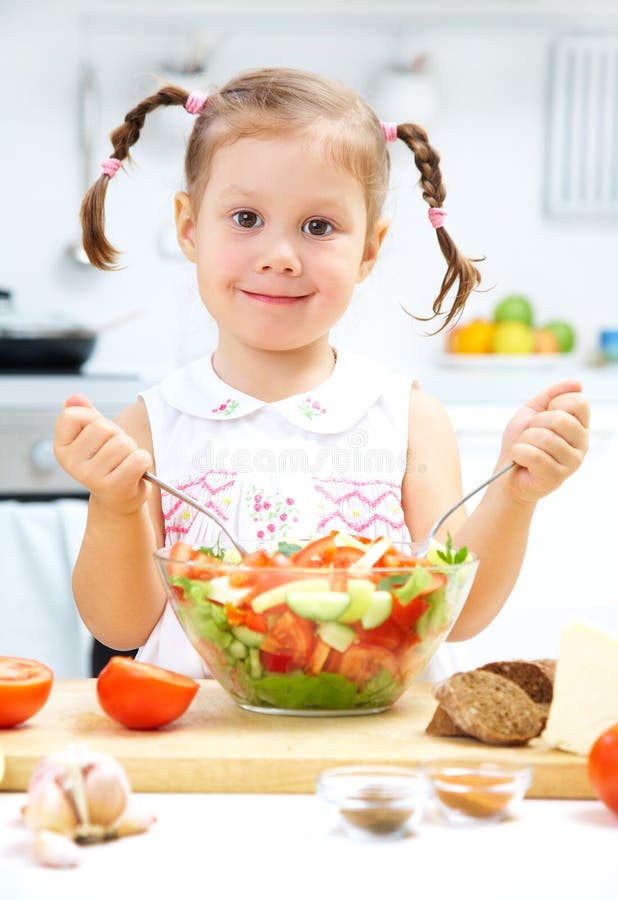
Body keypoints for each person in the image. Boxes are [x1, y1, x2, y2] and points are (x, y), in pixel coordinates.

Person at [53, 67, 590, 680]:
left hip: (379, 748)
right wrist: (114, 508)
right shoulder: (151, 427)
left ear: (368, 250)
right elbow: (118, 627)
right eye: (246, 218)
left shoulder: (407, 420)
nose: (280, 257)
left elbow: (456, 612)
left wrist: (514, 496)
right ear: (188, 227)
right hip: (210, 745)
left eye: (318, 227)